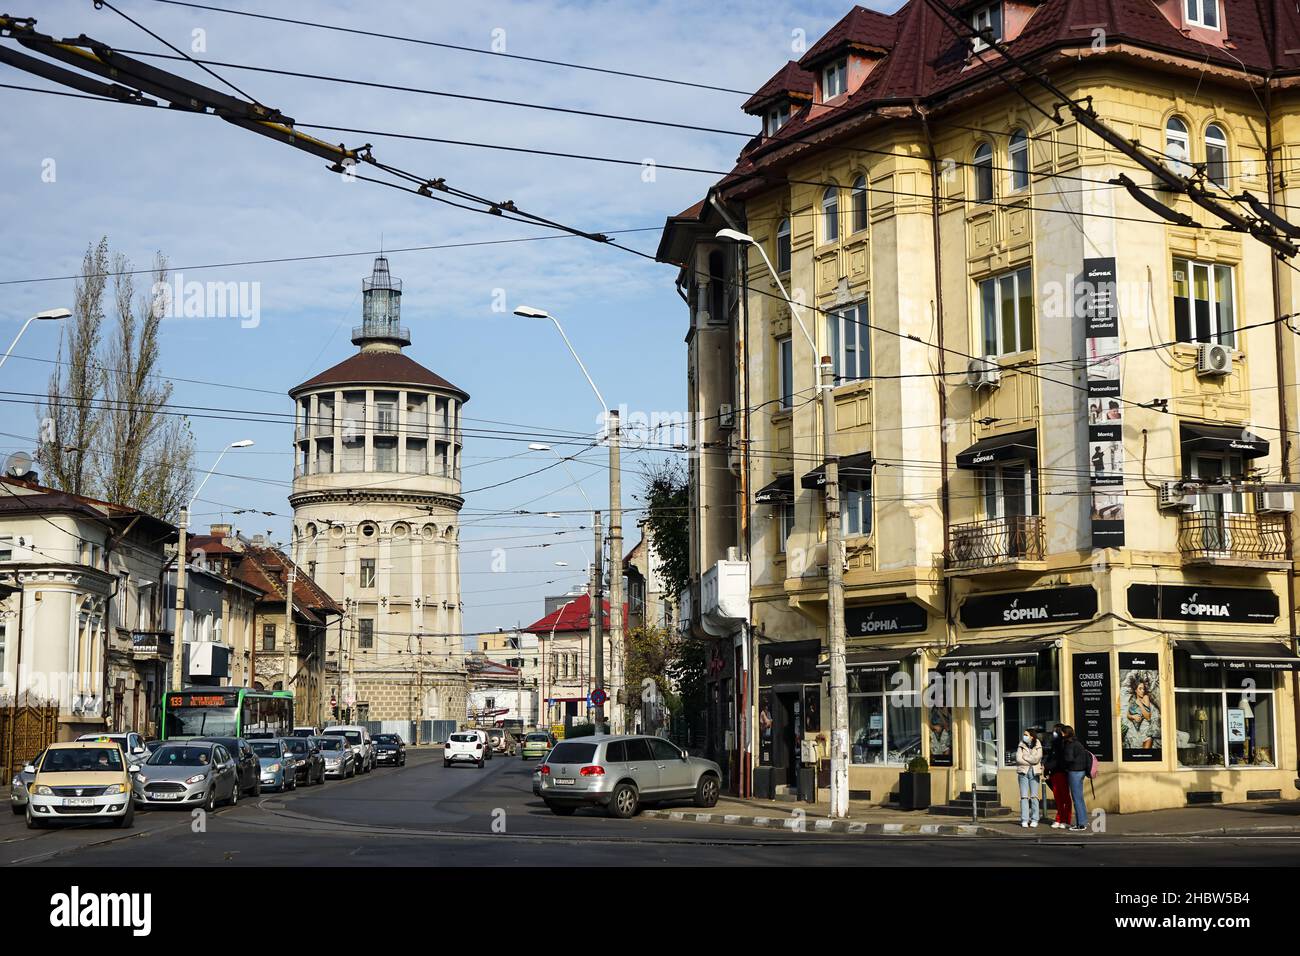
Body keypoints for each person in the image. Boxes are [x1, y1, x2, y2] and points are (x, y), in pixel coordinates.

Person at [1061, 724, 1091, 832]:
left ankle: (1081, 825)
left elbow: (1068, 759)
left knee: (1076, 799)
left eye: (1062, 733)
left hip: (1074, 772)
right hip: (1081, 771)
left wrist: (1063, 762)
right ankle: (1083, 821)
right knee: (1080, 798)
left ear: (1065, 733)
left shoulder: (1069, 744)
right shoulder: (1077, 743)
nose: (1061, 735)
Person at [1043, 723, 1072, 829]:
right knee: (1058, 798)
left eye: (1055, 731)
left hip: (1062, 773)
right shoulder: (1054, 744)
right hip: (1054, 774)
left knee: (1065, 798)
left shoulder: (1064, 744)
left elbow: (1060, 760)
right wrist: (1046, 769)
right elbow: (1050, 757)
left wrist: (1047, 766)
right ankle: (1059, 818)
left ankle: (1066, 819)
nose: (1053, 733)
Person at [1014, 728, 1043, 828]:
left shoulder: (1038, 744)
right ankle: (1024, 819)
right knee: (1024, 797)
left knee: (1034, 797)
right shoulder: (1021, 744)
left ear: (1032, 736)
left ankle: (1035, 819)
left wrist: (1025, 757)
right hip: (1023, 772)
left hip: (1034, 772)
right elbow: (1018, 759)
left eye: (1026, 734)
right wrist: (1030, 760)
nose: (1024, 736)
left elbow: (1038, 758)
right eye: (1024, 734)